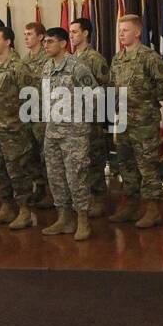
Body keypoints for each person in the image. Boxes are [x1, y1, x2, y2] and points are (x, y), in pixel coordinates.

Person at [108, 13, 163, 229]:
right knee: (126, 164)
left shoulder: (149, 57)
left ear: (137, 32)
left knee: (147, 166)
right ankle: (131, 205)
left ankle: (153, 209)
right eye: (119, 30)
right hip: (123, 120)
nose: (121, 34)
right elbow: (112, 88)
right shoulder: (118, 59)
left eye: (125, 30)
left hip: (144, 122)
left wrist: (143, 97)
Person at [39, 27, 97, 240]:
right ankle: (64, 219)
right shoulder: (46, 67)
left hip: (74, 133)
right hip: (52, 132)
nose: (46, 45)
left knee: (76, 177)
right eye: (44, 41)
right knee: (56, 177)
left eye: (50, 41)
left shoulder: (77, 67)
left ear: (64, 44)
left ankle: (83, 220)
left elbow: (95, 95)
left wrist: (81, 121)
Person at [0, 26, 41, 230]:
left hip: (15, 131)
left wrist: (24, 126)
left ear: (8, 42)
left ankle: (25, 211)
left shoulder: (18, 67)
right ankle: (7, 208)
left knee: (18, 173)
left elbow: (32, 98)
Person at [70, 17, 110, 216]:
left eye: (75, 31)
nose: (71, 35)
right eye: (70, 32)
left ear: (86, 33)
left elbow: (104, 89)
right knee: (80, 161)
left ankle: (99, 197)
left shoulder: (94, 58)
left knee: (94, 159)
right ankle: (84, 198)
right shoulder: (71, 58)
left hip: (92, 118)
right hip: (74, 119)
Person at [22, 21, 51, 207]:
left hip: (45, 114)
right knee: (32, 154)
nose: (26, 38)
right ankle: (39, 187)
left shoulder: (48, 58)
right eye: (24, 34)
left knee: (46, 154)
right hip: (28, 113)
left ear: (40, 37)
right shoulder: (24, 60)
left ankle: (51, 191)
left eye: (30, 34)